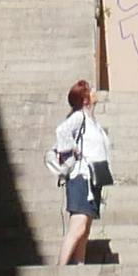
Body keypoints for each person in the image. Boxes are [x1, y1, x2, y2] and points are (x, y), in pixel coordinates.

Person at [51, 80, 111, 266]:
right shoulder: (79, 117)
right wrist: (73, 149)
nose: (95, 92)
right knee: (78, 226)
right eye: (91, 90)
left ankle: (80, 266)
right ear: (85, 99)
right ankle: (61, 268)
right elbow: (61, 131)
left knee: (85, 229)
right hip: (81, 177)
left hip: (93, 179)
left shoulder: (94, 122)